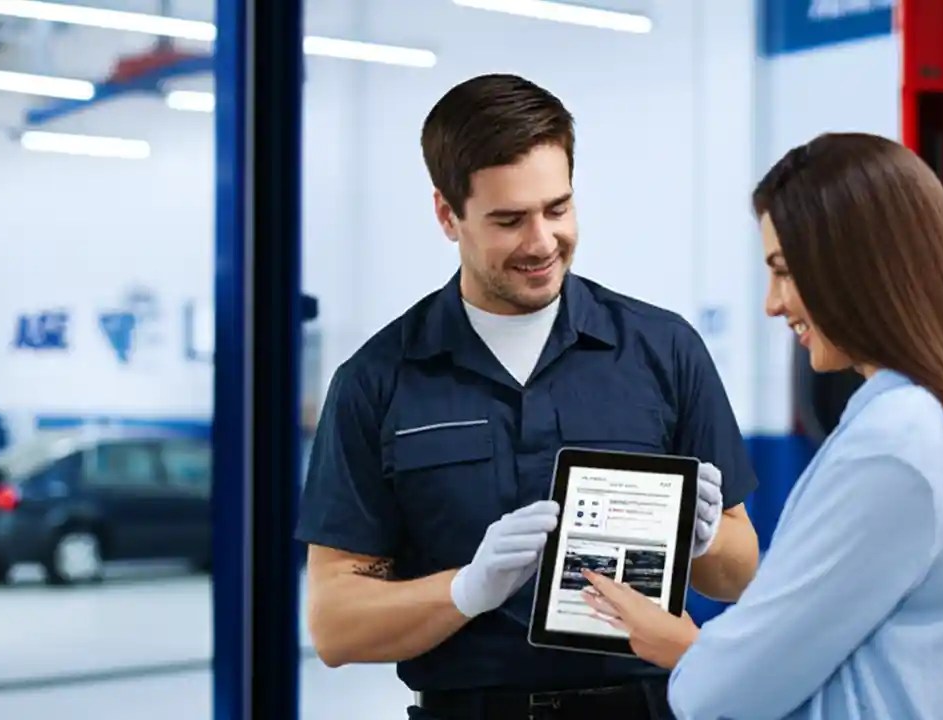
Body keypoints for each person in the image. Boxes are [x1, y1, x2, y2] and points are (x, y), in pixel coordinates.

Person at [296, 72, 761, 720]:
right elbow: (335, 624)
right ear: (446, 215)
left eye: (558, 208)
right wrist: (465, 590)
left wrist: (704, 542)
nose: (542, 242)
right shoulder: (378, 381)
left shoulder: (663, 351)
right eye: (509, 220)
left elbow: (739, 575)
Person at [581, 132, 943, 720]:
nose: (772, 304)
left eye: (784, 272)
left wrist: (683, 648)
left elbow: (725, 693)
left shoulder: (895, 445)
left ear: (855, 270)